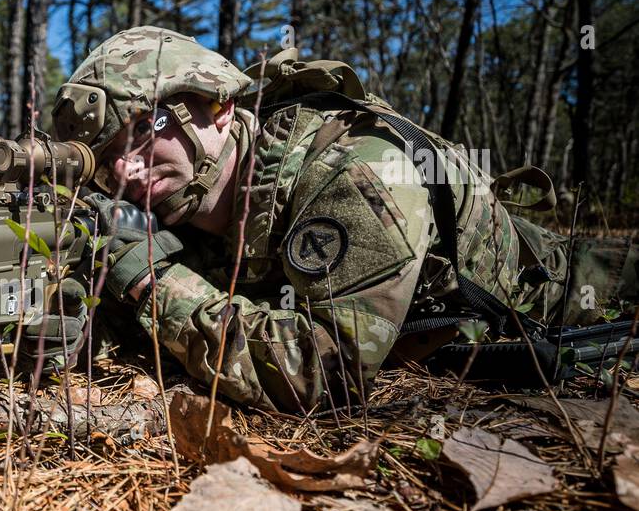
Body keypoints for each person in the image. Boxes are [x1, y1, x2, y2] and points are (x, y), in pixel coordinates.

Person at [50, 27, 637, 413]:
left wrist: (152, 280)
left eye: (144, 131)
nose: (125, 167)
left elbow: (323, 372)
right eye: (105, 158)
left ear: (217, 106)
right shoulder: (191, 202)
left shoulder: (355, 173)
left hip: (580, 293)